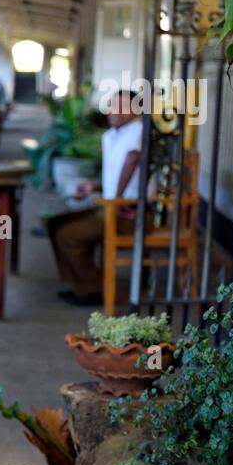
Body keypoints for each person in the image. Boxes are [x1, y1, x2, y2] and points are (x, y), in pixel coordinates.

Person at [46, 89, 144, 305]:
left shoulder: (138, 130)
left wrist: (116, 200)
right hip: (112, 206)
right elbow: (121, 173)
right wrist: (94, 186)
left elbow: (133, 159)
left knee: (68, 235)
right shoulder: (113, 135)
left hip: (128, 213)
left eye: (123, 106)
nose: (115, 111)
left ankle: (96, 289)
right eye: (113, 105)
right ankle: (81, 285)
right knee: (55, 225)